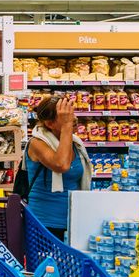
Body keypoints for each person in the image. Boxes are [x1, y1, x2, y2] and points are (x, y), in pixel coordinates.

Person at [26, 94, 92, 241]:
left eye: (71, 112)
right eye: (65, 115)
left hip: (74, 221)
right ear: (49, 123)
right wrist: (67, 126)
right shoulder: (37, 143)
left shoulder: (75, 143)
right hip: (45, 225)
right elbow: (61, 165)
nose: (73, 119)